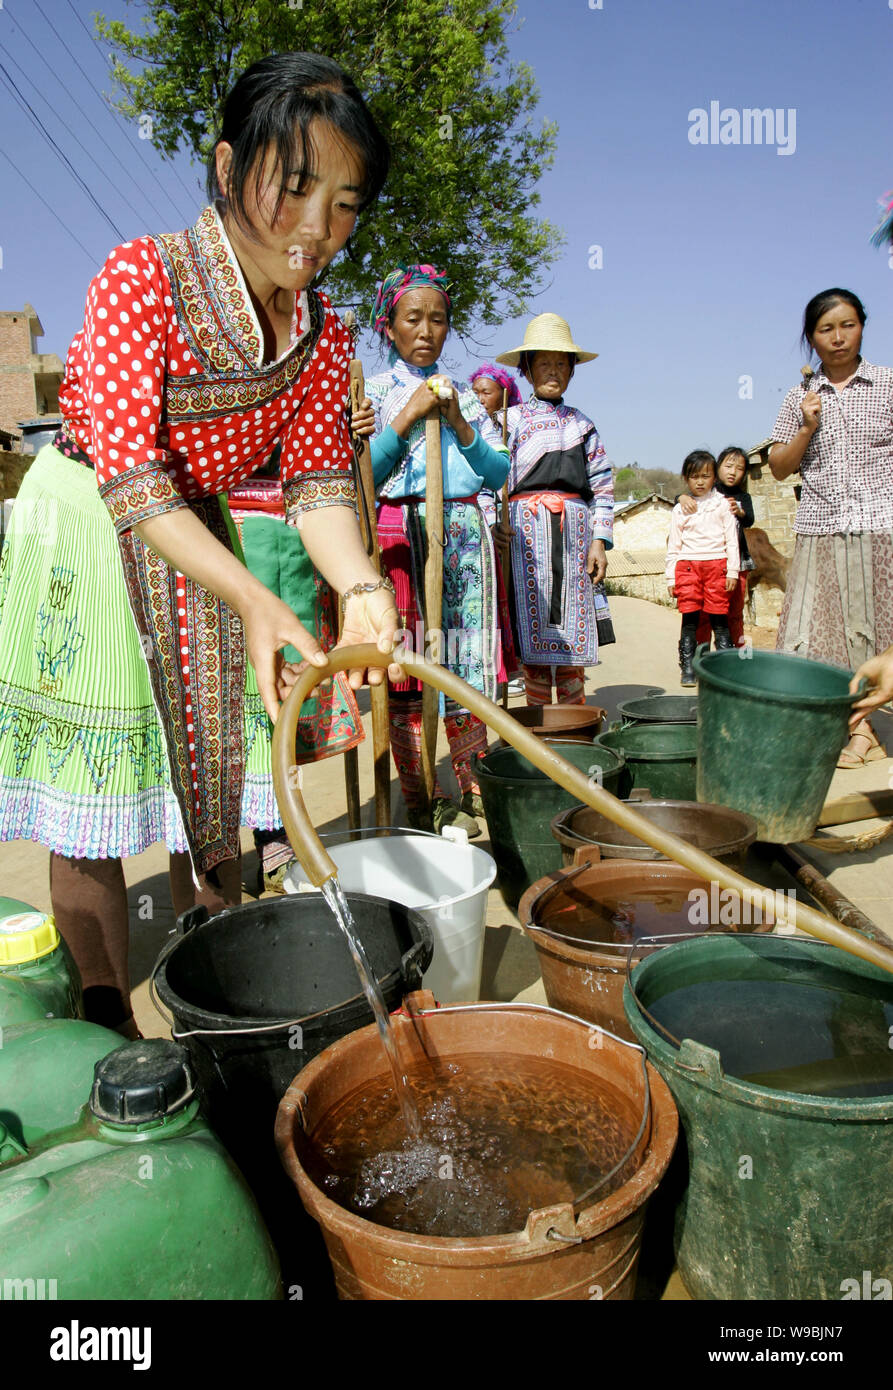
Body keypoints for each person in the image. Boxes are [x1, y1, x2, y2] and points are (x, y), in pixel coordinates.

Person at [0, 53, 397, 1036]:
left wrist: (359, 583)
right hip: (93, 519)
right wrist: (257, 598)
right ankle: (104, 1015)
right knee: (94, 792)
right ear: (227, 169)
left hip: (198, 532)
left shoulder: (323, 338)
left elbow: (314, 485)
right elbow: (131, 472)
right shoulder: (146, 275)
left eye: (344, 203)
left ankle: (218, 1000)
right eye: (293, 185)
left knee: (215, 786)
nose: (317, 227)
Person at [354, 265, 511, 835]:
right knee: (407, 669)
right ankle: (419, 795)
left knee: (464, 667)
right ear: (388, 325)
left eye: (437, 319)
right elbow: (361, 476)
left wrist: (458, 424)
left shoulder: (465, 394)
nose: (425, 330)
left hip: (462, 538)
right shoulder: (368, 394)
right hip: (399, 534)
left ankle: (471, 793)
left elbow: (497, 471)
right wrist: (406, 417)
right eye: (412, 318)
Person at [770, 288, 893, 767]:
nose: (838, 338)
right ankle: (841, 727)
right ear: (811, 338)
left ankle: (864, 732)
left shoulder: (886, 384)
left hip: (881, 525)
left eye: (848, 325)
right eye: (826, 329)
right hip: (820, 526)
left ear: (862, 326)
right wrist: (805, 427)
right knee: (812, 632)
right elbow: (779, 467)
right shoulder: (798, 398)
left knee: (871, 633)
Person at [494, 314, 613, 707]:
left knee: (573, 633)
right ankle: (539, 726)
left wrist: (599, 541)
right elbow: (489, 482)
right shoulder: (507, 423)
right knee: (529, 636)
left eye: (562, 363)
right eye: (544, 363)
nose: (553, 371)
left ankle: (574, 725)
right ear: (526, 370)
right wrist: (497, 523)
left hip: (574, 540)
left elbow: (602, 486)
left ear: (573, 371)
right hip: (523, 541)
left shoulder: (582, 426)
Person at [666, 450, 738, 686]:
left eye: (705, 476)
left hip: (717, 566)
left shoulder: (722, 506)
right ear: (686, 479)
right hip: (687, 568)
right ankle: (688, 669)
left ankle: (726, 670)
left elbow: (732, 540)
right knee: (690, 620)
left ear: (713, 478)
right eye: (694, 476)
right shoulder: (680, 509)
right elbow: (674, 545)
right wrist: (670, 578)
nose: (699, 481)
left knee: (720, 620)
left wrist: (733, 571)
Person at [678, 446, 754, 650]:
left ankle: (734, 657)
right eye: (728, 466)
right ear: (717, 469)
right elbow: (690, 494)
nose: (732, 472)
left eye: (739, 468)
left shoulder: (743, 497)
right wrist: (680, 497)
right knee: (703, 613)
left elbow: (750, 521)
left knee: (734, 612)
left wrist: (740, 511)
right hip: (710, 562)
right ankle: (701, 655)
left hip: (738, 562)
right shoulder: (709, 493)